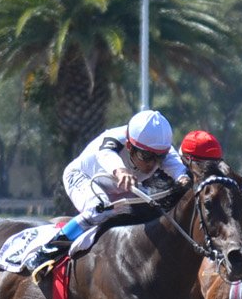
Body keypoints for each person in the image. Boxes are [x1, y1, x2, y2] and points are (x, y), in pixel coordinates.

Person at [33, 109, 188, 268]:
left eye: (159, 158)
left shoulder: (161, 149)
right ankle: (48, 250)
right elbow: (106, 154)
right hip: (83, 178)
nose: (153, 164)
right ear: (129, 145)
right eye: (146, 156)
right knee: (99, 209)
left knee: (152, 210)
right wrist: (120, 170)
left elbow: (178, 168)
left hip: (120, 188)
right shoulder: (116, 138)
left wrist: (184, 178)